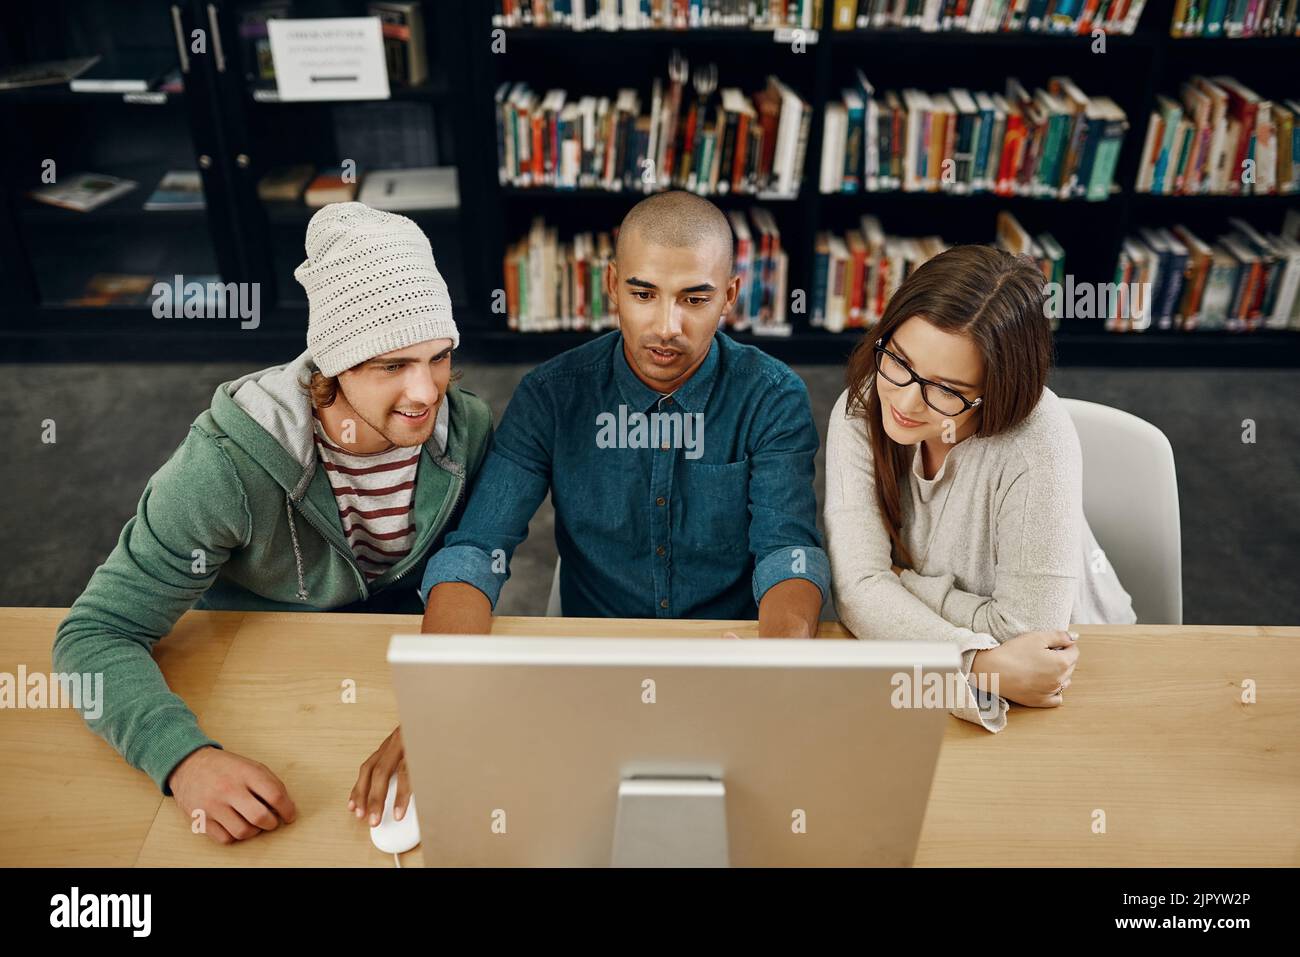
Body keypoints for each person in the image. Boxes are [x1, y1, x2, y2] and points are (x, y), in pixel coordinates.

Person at [349, 190, 829, 826]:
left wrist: (774, 684)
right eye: (643, 293)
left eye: (695, 297)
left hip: (735, 650)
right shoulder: (551, 396)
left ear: (732, 295)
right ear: (610, 286)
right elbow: (475, 551)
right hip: (591, 655)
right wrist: (432, 704)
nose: (666, 326)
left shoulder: (772, 399)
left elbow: (787, 551)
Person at [54, 202, 492, 844]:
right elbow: (93, 635)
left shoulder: (468, 430)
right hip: (257, 674)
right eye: (391, 365)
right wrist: (182, 760)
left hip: (398, 672)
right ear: (334, 365)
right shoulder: (224, 465)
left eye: (439, 357)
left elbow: (472, 559)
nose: (427, 392)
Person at [824, 244, 1135, 732]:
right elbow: (856, 592)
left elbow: (1027, 637)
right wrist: (979, 666)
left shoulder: (1038, 442)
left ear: (1001, 391)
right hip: (996, 674)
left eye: (946, 390)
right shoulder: (863, 405)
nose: (905, 401)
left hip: (1076, 670)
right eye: (899, 361)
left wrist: (897, 584)